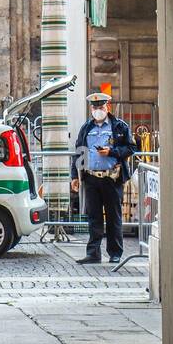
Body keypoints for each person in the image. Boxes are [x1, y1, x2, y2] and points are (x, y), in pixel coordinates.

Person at [70, 90, 135, 265]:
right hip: (91, 178)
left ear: (108, 107)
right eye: (95, 106)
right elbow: (79, 152)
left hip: (111, 178)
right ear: (91, 109)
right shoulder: (86, 128)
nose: (98, 109)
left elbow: (130, 148)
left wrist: (112, 152)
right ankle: (93, 253)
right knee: (94, 217)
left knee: (114, 217)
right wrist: (75, 175)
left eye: (101, 106)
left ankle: (115, 253)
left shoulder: (119, 126)